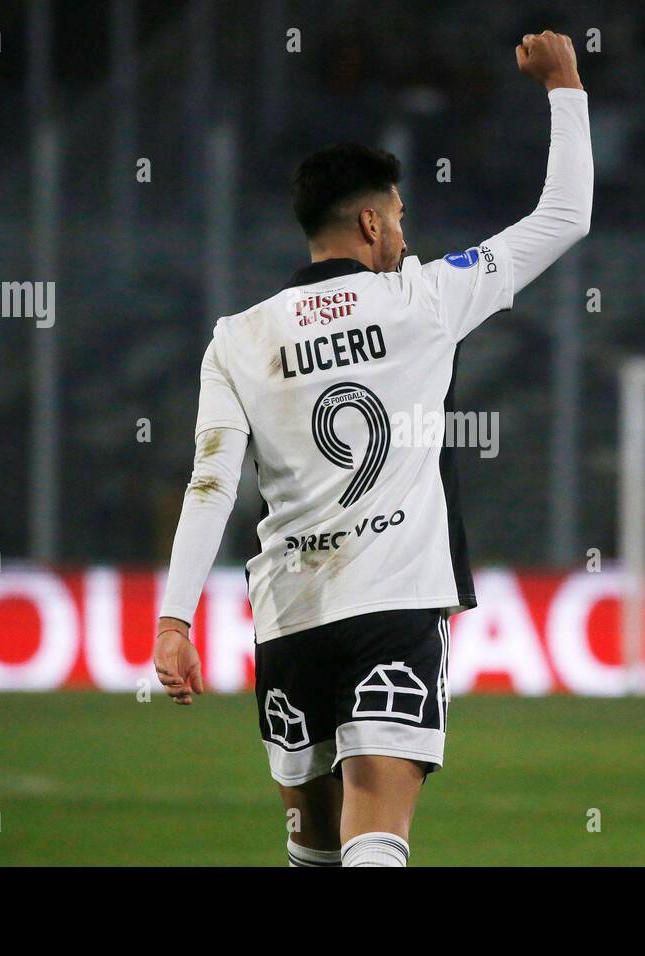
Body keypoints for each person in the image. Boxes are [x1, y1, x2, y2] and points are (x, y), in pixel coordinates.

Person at [153, 30, 592, 867]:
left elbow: (210, 484)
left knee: (315, 854)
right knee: (377, 836)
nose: (403, 229)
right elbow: (566, 216)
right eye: (397, 216)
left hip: (290, 616)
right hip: (395, 606)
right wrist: (564, 87)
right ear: (368, 220)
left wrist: (175, 619)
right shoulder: (424, 296)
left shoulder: (238, 338)